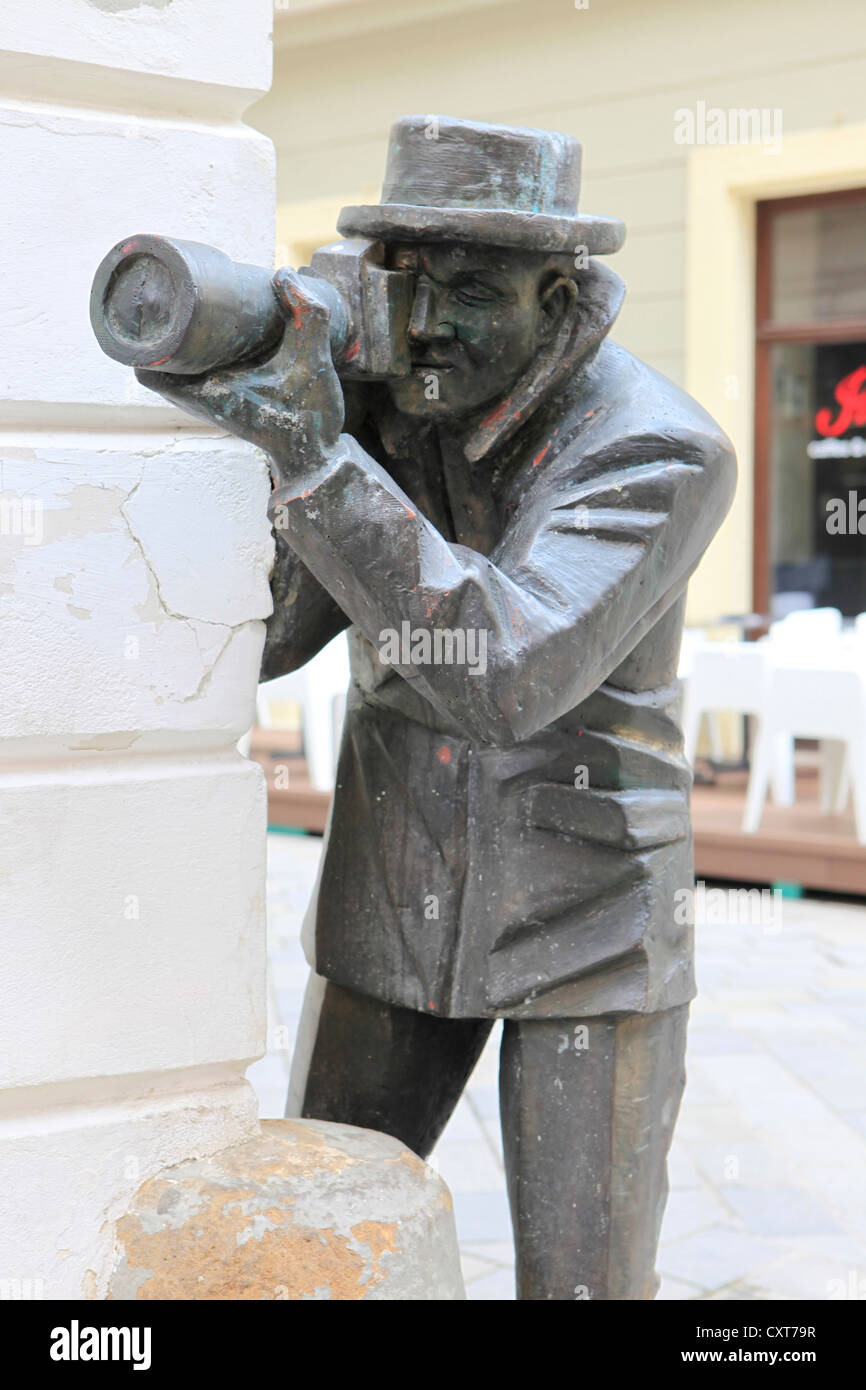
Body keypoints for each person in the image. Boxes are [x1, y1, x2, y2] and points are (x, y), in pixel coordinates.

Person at [138, 114, 736, 1300]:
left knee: (582, 1284)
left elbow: (505, 675)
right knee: (322, 1240)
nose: (429, 321)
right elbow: (267, 639)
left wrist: (325, 466)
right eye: (409, 282)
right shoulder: (394, 412)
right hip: (391, 900)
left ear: (558, 297)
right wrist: (268, 446)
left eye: (470, 288)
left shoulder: (658, 448)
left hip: (588, 926)